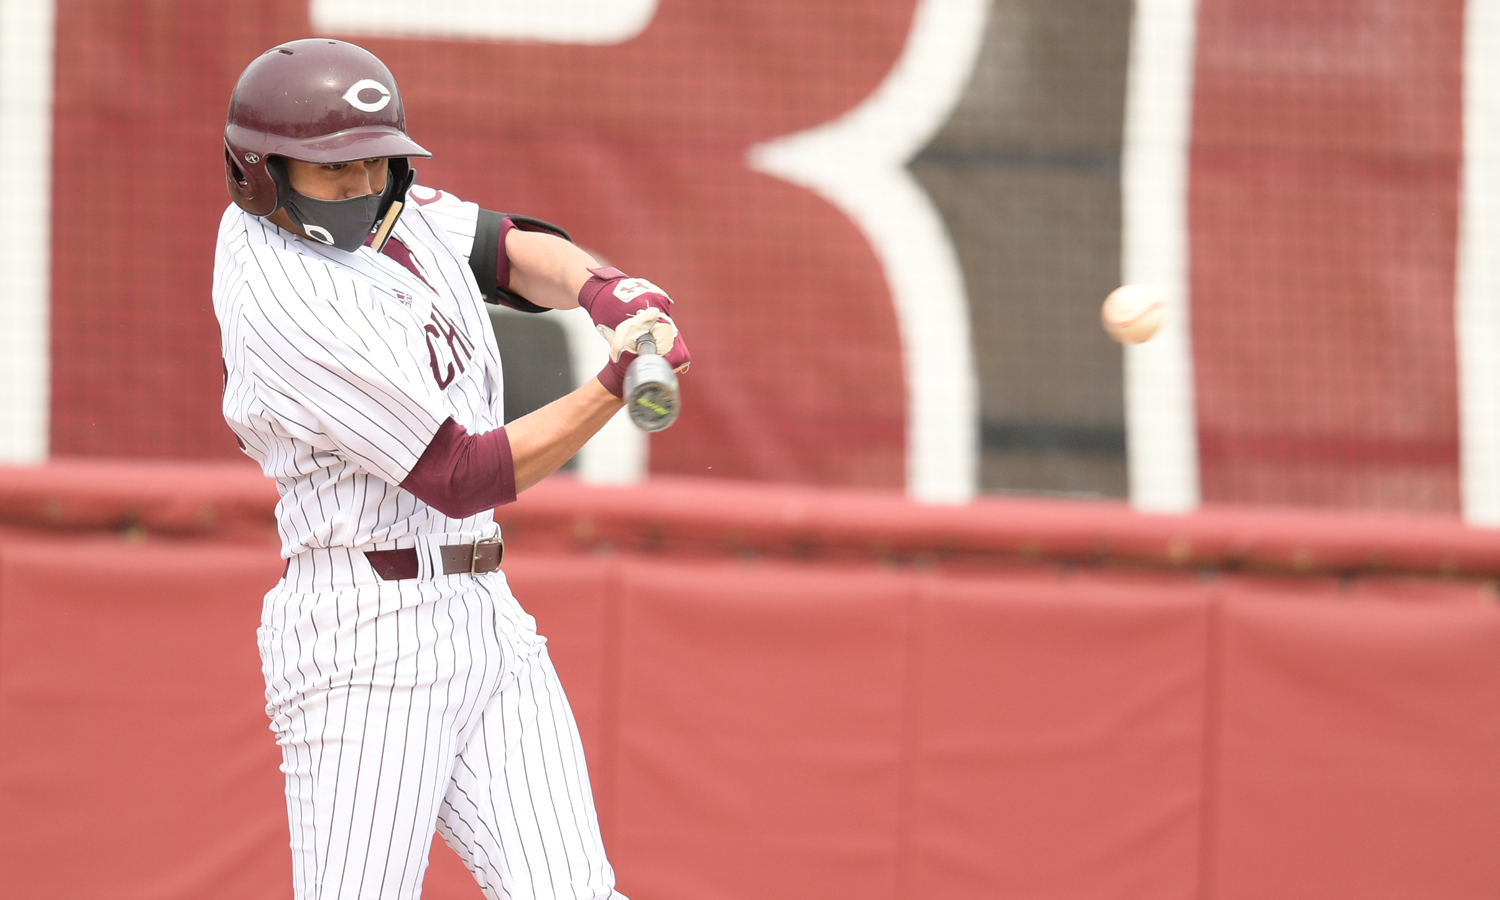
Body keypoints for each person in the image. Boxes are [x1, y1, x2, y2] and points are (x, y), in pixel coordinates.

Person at [212, 38, 689, 900]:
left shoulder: (386, 203)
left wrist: (610, 293)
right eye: (332, 170)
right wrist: (615, 383)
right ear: (260, 172)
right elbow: (462, 473)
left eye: (374, 161)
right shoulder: (284, 298)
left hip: (481, 609)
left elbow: (507, 250)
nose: (362, 186)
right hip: (366, 636)